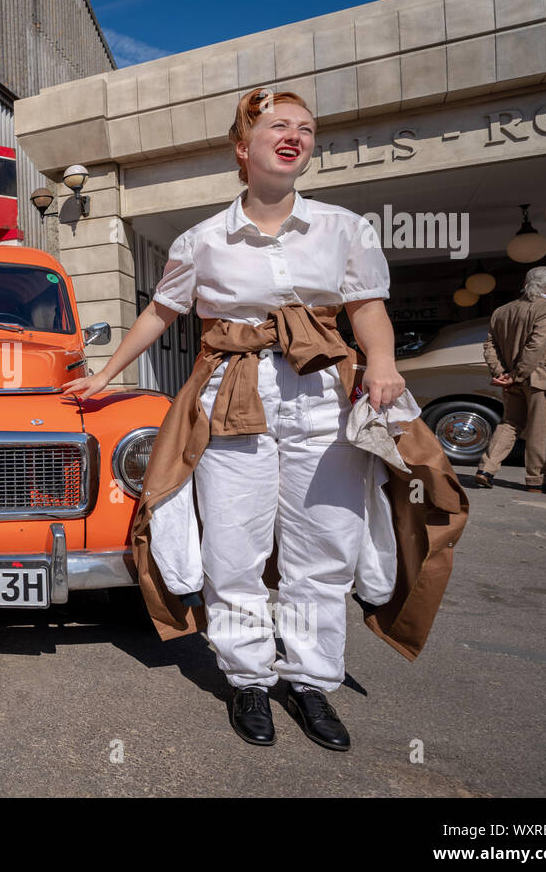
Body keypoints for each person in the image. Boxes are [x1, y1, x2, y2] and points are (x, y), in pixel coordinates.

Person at [63, 87, 421, 752]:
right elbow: (159, 314)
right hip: (233, 393)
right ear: (243, 147)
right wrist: (105, 375)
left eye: (307, 128)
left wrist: (383, 360)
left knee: (326, 544)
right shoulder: (200, 240)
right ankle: (249, 676)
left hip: (321, 395)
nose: (296, 135)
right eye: (279, 125)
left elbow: (367, 306)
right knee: (235, 545)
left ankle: (312, 680)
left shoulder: (346, 227)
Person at [475, 266, 546, 494]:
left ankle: (486, 469)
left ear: (525, 282)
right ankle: (540, 480)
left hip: (511, 377)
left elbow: (489, 345)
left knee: (509, 423)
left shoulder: (502, 310)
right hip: (540, 379)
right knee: (541, 430)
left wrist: (500, 373)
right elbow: (537, 346)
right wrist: (516, 375)